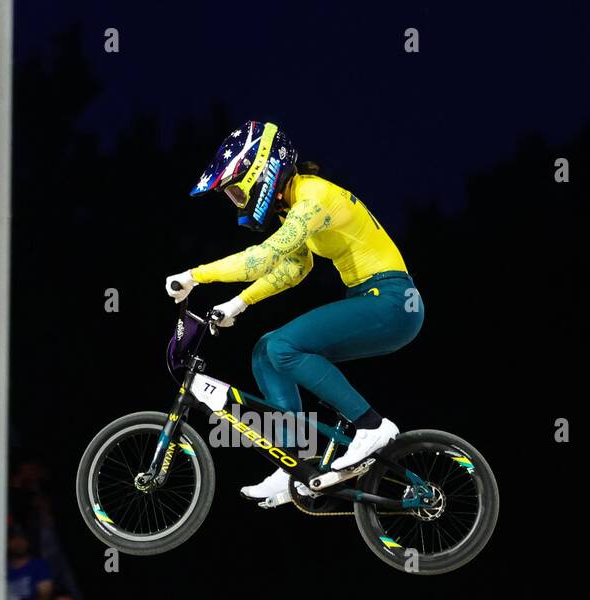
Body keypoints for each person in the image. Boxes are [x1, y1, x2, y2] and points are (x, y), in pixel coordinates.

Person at [166, 120, 424, 507]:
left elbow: (264, 257)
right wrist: (239, 303)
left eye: (237, 191)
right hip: (376, 301)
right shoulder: (296, 207)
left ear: (262, 170)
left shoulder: (313, 197)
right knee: (267, 351)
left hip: (392, 301)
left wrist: (194, 276)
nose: (239, 201)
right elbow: (292, 269)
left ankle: (372, 427)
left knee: (286, 345)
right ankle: (295, 466)